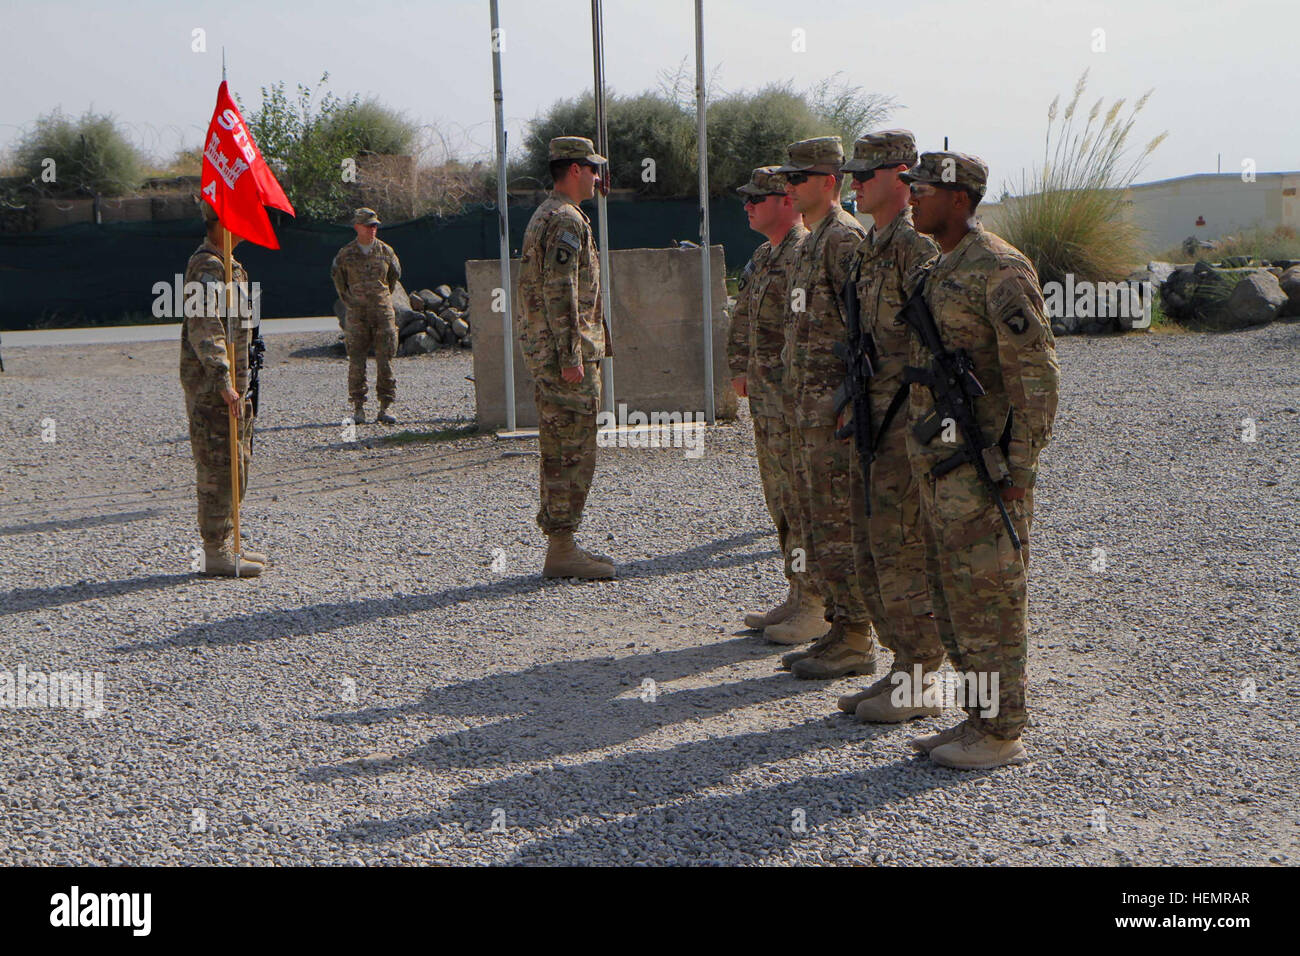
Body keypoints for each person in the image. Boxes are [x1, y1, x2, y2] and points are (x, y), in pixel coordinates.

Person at [899, 151, 1061, 768]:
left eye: (924, 190)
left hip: (985, 466)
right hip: (942, 463)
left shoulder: (999, 267)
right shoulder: (940, 266)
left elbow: (1036, 376)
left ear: (959, 199)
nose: (913, 198)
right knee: (955, 596)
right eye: (912, 188)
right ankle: (976, 717)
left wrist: (1019, 467)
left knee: (991, 598)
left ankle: (1001, 731)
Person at [834, 130, 946, 723]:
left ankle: (922, 674)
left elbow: (936, 342)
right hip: (872, 418)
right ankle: (902, 663)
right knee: (872, 545)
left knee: (904, 546)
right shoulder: (870, 246)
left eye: (865, 174)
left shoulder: (914, 245)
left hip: (907, 421)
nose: (854, 183)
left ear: (900, 176)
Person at [767, 136, 880, 680]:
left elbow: (867, 328)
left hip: (834, 412)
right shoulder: (813, 240)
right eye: (787, 178)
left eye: (798, 178)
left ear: (829, 182)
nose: (788, 187)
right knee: (815, 523)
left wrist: (851, 402)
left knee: (839, 525)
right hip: (806, 411)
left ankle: (857, 637)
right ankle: (838, 627)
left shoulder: (843, 239)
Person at [517, 136, 615, 580]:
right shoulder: (565, 219)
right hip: (566, 359)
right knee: (571, 450)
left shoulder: (549, 214)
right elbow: (561, 290)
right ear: (574, 170)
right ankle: (562, 546)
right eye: (592, 169)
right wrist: (572, 355)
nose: (596, 177)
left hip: (552, 353)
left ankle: (562, 543)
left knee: (559, 447)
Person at [726, 166, 815, 636]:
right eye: (747, 198)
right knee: (781, 500)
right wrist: (739, 367)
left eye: (757, 198)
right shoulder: (765, 255)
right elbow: (743, 316)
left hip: (796, 402)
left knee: (804, 502)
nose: (748, 206)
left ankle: (817, 604)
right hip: (767, 402)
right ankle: (797, 593)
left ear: (786, 200)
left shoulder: (805, 253)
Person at [180, 202, 265, 577]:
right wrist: (222, 379)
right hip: (216, 388)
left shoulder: (231, 266)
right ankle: (214, 551)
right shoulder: (208, 267)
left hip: (236, 384)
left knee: (237, 463)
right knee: (218, 466)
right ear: (222, 224)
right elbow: (205, 326)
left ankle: (230, 542)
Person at [331, 207, 402, 425]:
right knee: (356, 360)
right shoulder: (346, 254)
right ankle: (358, 407)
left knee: (385, 359)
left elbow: (393, 278)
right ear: (357, 227)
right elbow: (339, 282)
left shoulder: (386, 251)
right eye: (368, 226)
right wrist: (352, 302)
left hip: (382, 313)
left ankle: (385, 406)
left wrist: (380, 299)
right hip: (357, 314)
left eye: (375, 226)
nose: (373, 229)